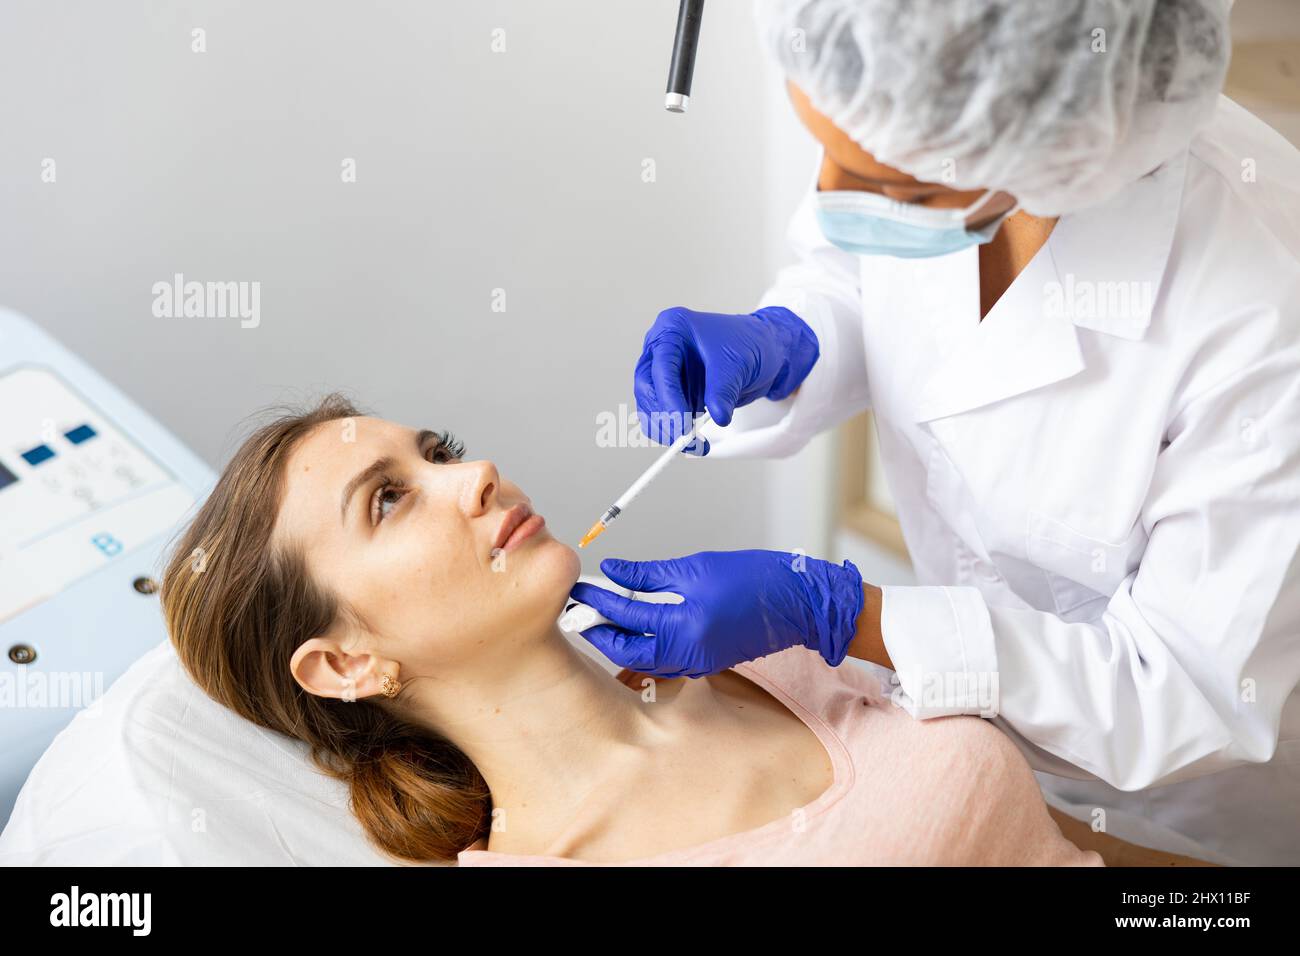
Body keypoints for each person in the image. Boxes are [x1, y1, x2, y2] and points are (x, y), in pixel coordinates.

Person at [571, 0, 1300, 865]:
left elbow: (1181, 695)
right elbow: (860, 267)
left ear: (1031, 139)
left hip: (1177, 813)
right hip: (966, 757)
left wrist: (840, 615)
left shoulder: (1262, 316)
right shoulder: (918, 86)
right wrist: (793, 336)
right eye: (827, 153)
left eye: (899, 187)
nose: (834, 197)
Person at [157, 393, 1104, 866]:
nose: (476, 470)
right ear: (347, 662)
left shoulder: (758, 654)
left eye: (435, 451)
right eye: (391, 500)